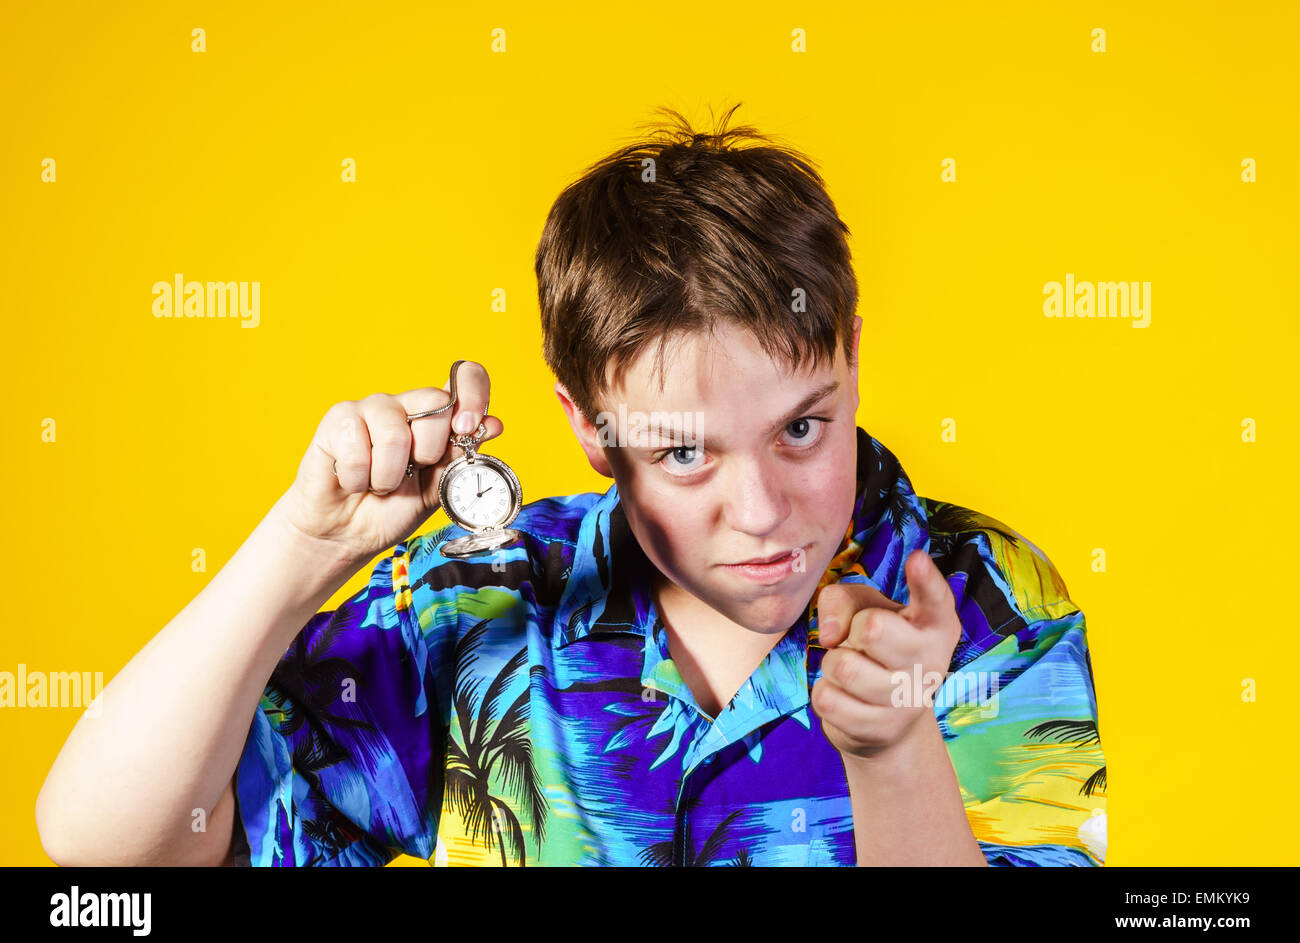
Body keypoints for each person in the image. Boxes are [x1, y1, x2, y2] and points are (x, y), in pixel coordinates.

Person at [35, 104, 1107, 867]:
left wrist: (893, 749)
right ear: (589, 425)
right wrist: (299, 551)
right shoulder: (478, 602)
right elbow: (103, 848)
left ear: (853, 354)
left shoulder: (981, 598)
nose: (764, 508)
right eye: (686, 451)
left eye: (801, 426)